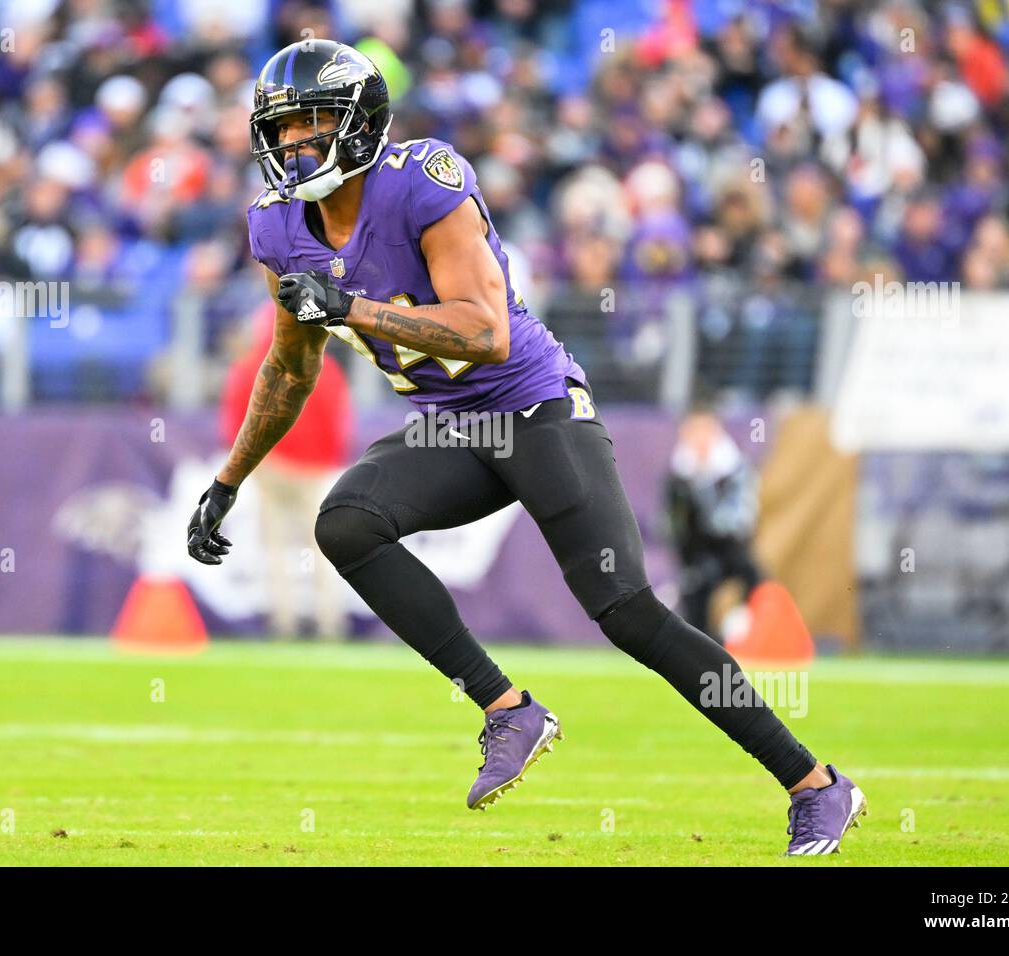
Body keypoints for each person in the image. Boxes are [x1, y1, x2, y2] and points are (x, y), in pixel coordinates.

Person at [186, 40, 864, 855]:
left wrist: (353, 308)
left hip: (534, 405)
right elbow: (290, 368)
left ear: (359, 123)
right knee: (347, 523)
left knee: (628, 612)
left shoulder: (419, 181)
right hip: (450, 428)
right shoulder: (276, 228)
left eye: (313, 124)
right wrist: (228, 480)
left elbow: (487, 331)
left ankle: (815, 784)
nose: (295, 146)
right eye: (283, 129)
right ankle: (507, 708)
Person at [218, 299, 352, 641]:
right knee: (325, 546)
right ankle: (329, 621)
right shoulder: (328, 367)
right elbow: (340, 420)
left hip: (272, 466)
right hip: (314, 470)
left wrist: (250, 463)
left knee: (276, 546)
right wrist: (329, 459)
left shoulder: (251, 366)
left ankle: (284, 622)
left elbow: (235, 420)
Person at [666, 409, 763, 642]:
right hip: (696, 552)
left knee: (756, 581)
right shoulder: (679, 475)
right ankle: (705, 647)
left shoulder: (733, 468)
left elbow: (740, 517)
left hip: (731, 549)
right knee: (695, 596)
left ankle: (747, 632)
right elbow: (674, 521)